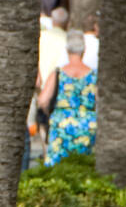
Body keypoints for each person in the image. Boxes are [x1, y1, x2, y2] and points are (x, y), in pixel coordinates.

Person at [37, 29, 97, 168]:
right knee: (83, 166)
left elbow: (43, 100)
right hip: (87, 124)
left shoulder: (58, 74)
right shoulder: (93, 75)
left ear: (67, 50)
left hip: (61, 124)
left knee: (57, 167)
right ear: (84, 50)